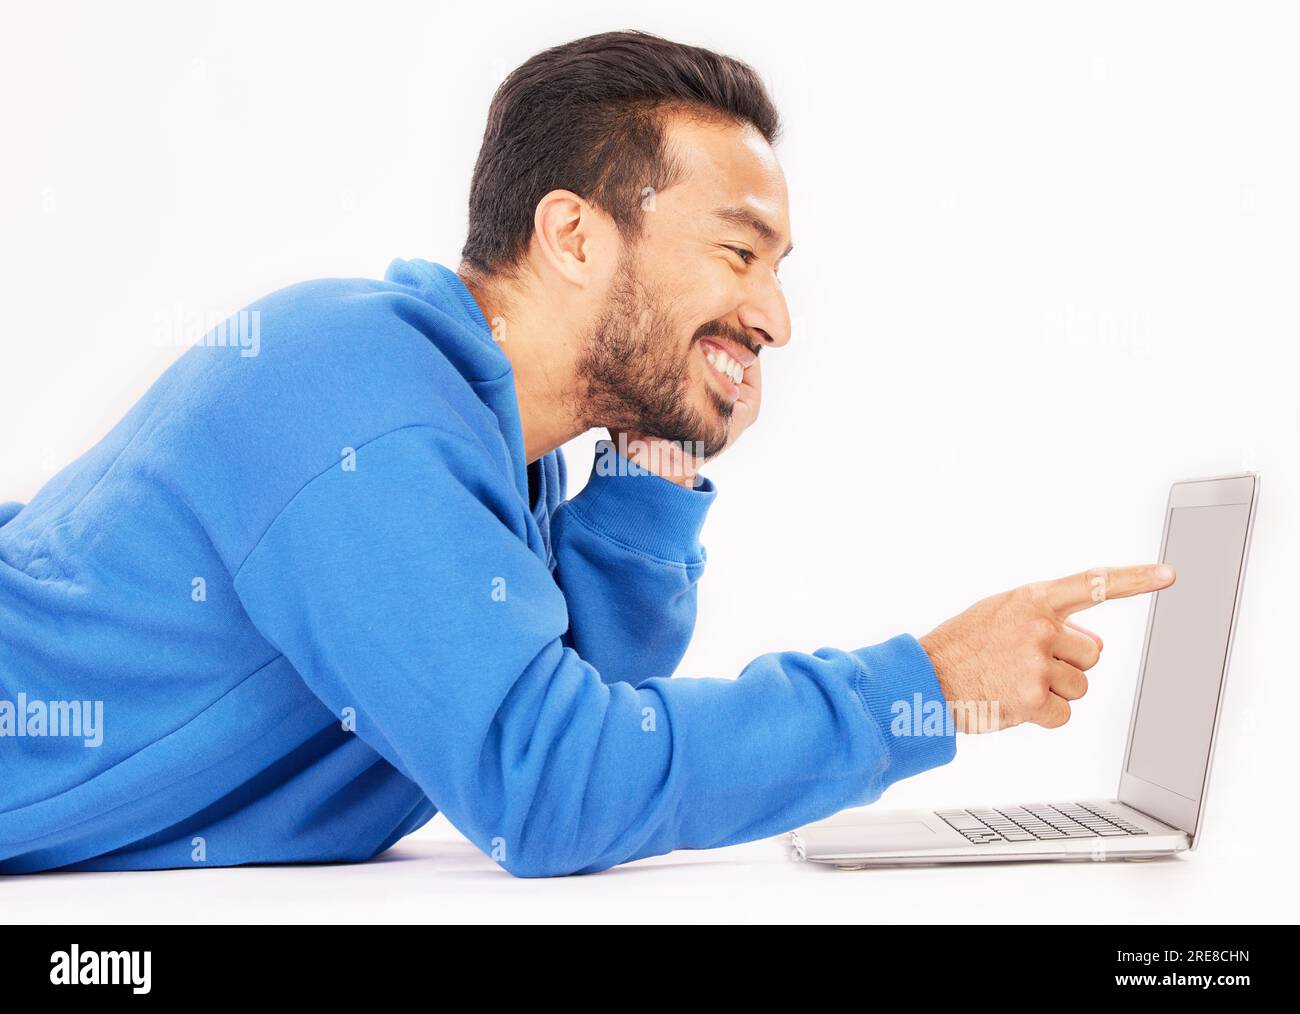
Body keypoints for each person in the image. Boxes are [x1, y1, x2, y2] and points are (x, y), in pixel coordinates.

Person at [0, 30, 1173, 877]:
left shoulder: (494, 454)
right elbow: (556, 785)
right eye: (738, 253)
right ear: (571, 233)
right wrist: (926, 687)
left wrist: (655, 461)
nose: (776, 320)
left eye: (779, 270)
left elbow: (590, 697)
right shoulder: (357, 390)